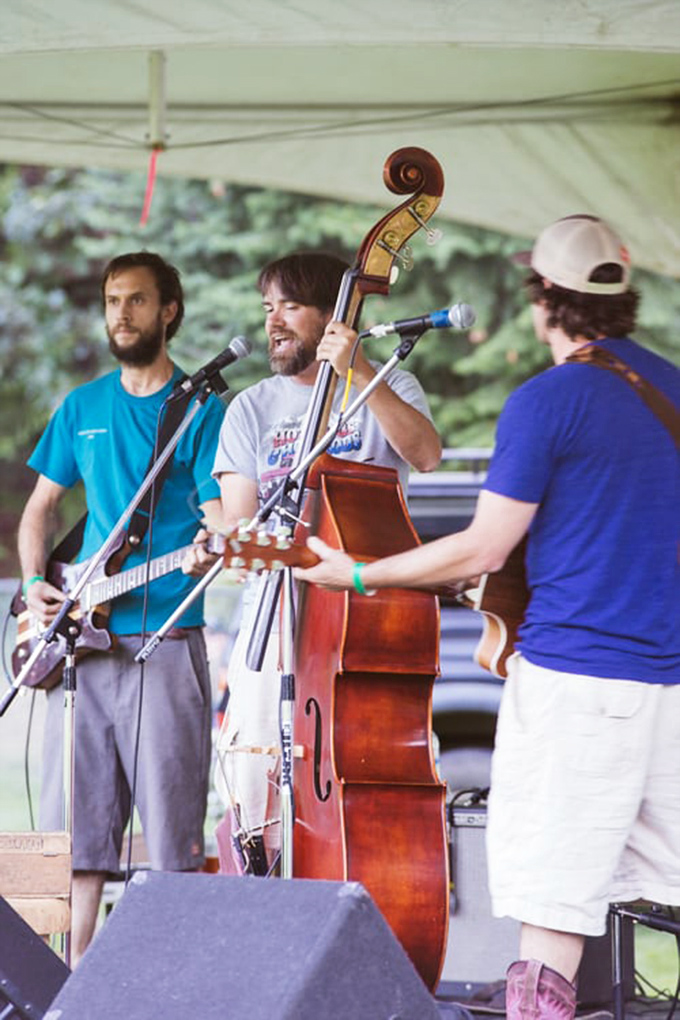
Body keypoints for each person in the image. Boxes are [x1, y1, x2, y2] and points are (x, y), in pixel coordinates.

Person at [293, 216, 680, 1019]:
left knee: (551, 909)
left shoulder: (548, 401)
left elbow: (483, 547)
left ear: (542, 299)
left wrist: (358, 571)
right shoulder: (673, 385)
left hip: (577, 685)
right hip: (671, 688)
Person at [193, 250, 442, 872]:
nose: (274, 321)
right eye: (267, 306)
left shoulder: (387, 381)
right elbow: (242, 522)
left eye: (291, 306)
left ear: (334, 314)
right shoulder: (250, 407)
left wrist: (358, 369)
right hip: (275, 615)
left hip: (366, 615)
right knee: (252, 776)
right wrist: (233, 543)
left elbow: (427, 454)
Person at [17, 252, 225, 965]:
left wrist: (216, 542)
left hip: (164, 641)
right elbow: (40, 509)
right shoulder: (82, 406)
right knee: (64, 830)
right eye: (112, 301)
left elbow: (222, 514)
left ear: (169, 310)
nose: (120, 315)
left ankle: (163, 985)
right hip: (79, 645)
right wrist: (32, 582)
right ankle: (58, 981)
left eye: (136, 301)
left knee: (171, 839)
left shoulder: (203, 408)